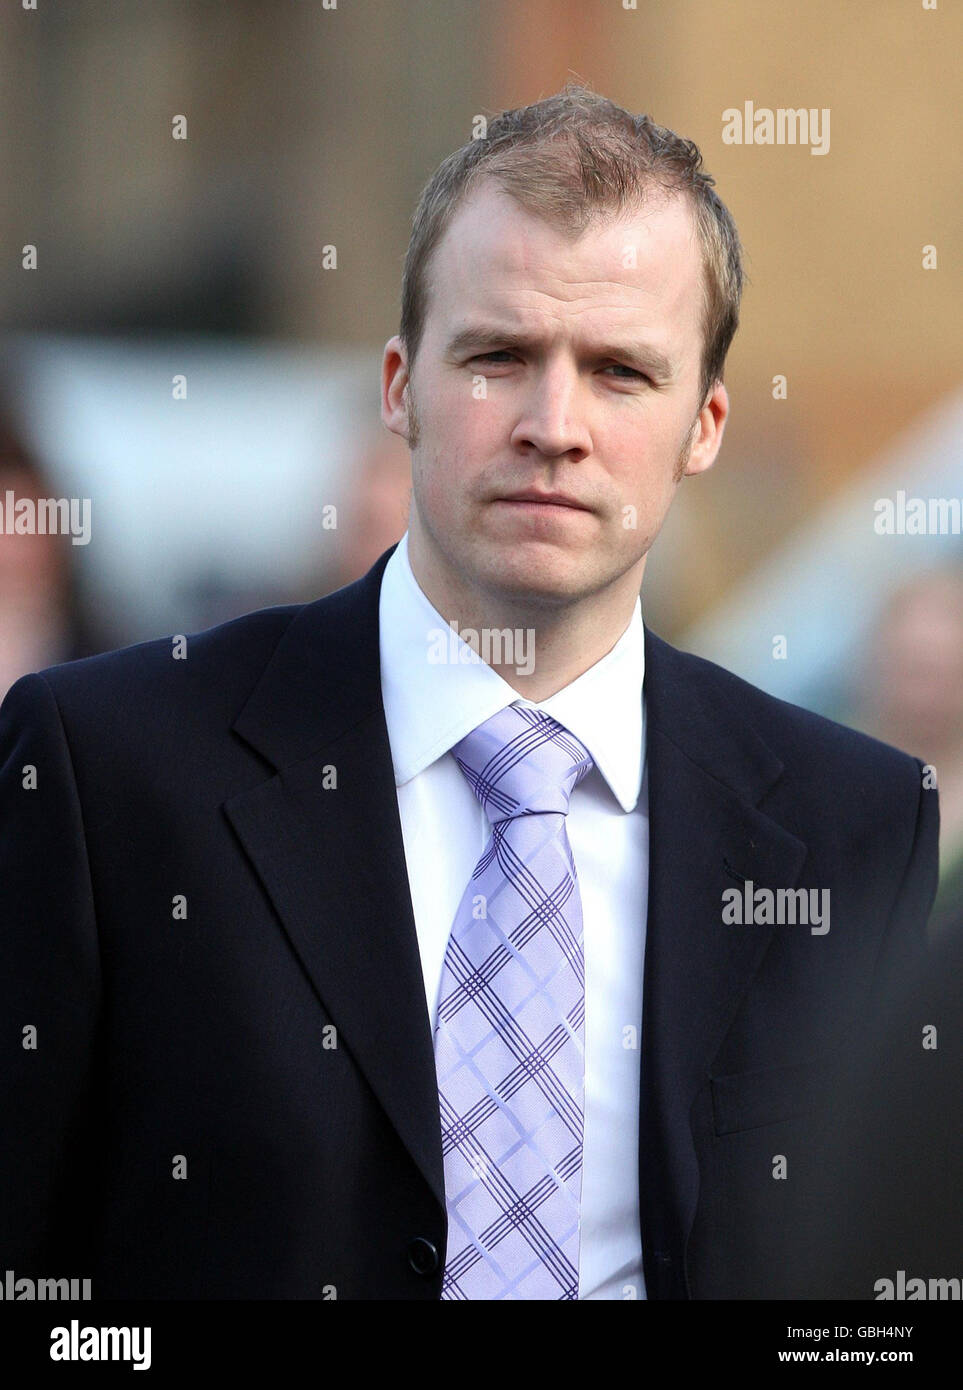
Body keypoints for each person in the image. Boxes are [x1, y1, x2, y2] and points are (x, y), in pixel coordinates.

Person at [0, 84, 940, 1301]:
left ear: (704, 422)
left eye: (620, 372)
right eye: (499, 356)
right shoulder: (106, 768)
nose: (555, 425)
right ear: (399, 384)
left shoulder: (851, 825)